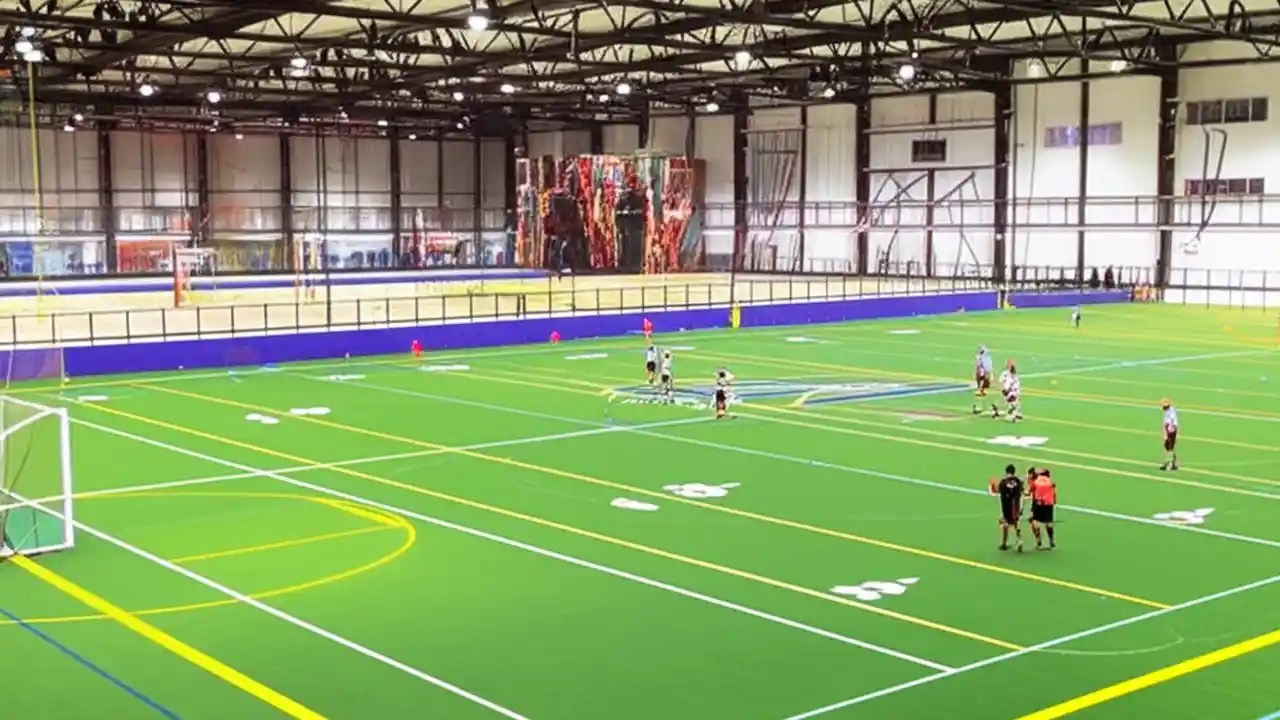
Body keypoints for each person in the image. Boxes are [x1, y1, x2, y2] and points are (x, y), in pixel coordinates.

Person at [991, 464, 1025, 552]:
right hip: (1016, 506)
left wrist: (991, 486)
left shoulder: (1003, 482)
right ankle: (1019, 539)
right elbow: (1022, 492)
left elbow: (996, 491)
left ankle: (1004, 543)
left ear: (1006, 472)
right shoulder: (1018, 481)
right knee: (1016, 522)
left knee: (1004, 523)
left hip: (1006, 505)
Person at [1027, 468, 1057, 550]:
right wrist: (1053, 502)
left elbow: (1028, 492)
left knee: (1034, 522)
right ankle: (1051, 541)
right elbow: (1054, 493)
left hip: (1038, 503)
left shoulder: (1036, 481)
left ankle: (1038, 540)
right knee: (1049, 523)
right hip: (1048, 504)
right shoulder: (1050, 482)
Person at [1160, 398, 1180, 471]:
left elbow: (1174, 423)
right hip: (1168, 430)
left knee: (1170, 447)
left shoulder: (1171, 412)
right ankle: (1172, 462)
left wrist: (1170, 431)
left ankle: (1170, 463)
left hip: (1171, 431)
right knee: (1168, 446)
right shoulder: (1167, 411)